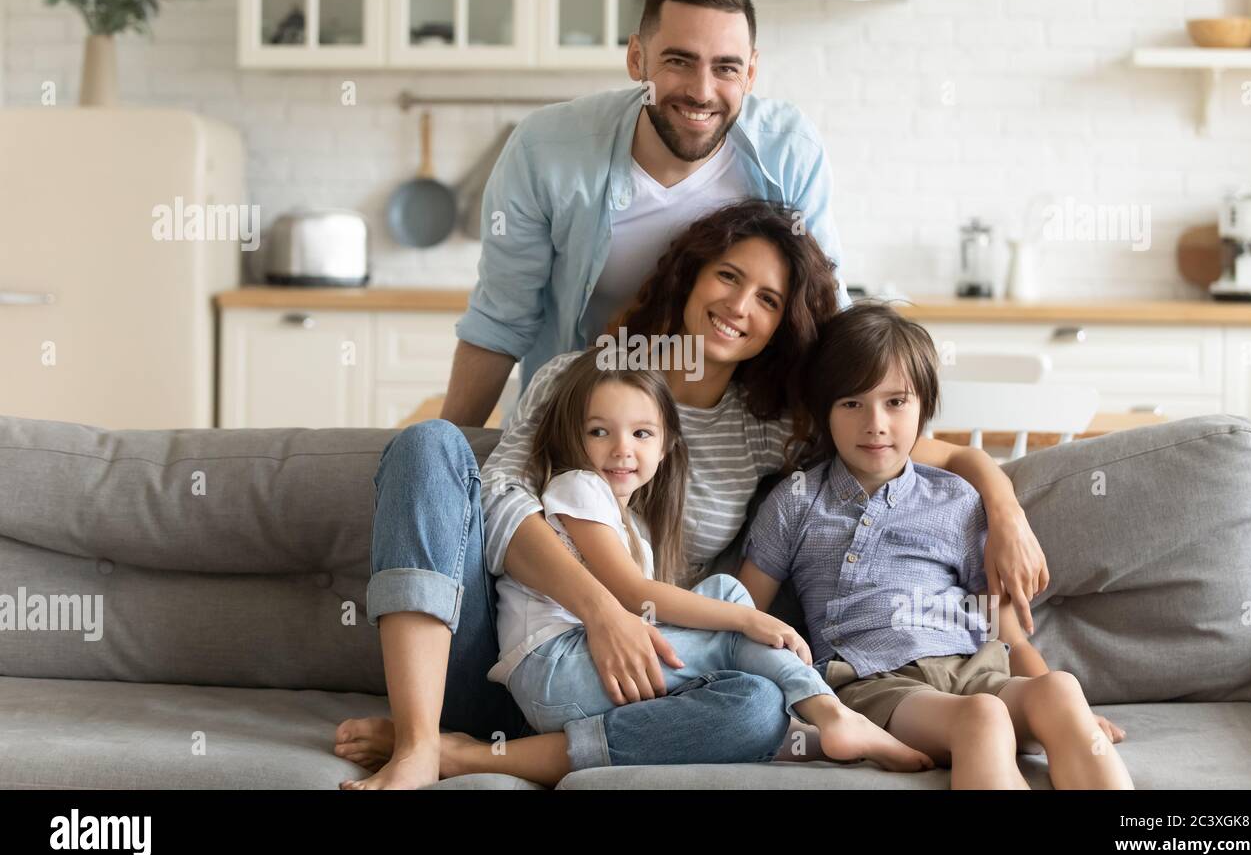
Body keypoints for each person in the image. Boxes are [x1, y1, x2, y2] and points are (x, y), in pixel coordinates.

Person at [337, 200, 1049, 788]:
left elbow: (923, 447)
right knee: (430, 442)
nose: (739, 306)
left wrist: (1003, 505)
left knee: (759, 710)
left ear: (782, 323)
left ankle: (471, 754)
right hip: (509, 654)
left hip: (639, 689)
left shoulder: (771, 429)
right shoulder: (581, 378)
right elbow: (500, 503)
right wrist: (603, 609)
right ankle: (420, 742)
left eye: (767, 298)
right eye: (728, 277)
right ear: (689, 276)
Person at [451, 347, 934, 786]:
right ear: (570, 439)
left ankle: (795, 727)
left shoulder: (635, 527)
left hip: (588, 679)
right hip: (554, 666)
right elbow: (629, 592)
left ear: (665, 447)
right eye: (599, 431)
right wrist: (749, 619)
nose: (622, 448)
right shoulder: (578, 487)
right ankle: (829, 713)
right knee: (728, 607)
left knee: (747, 682)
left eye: (641, 433)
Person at [736, 303, 1132, 789]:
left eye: (896, 402)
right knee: (982, 718)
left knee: (1060, 690)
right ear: (825, 412)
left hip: (977, 672)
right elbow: (744, 614)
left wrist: (1073, 718)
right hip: (876, 684)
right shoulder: (797, 501)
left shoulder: (958, 499)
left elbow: (1007, 631)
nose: (875, 423)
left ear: (923, 408)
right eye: (852, 403)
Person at [441, 0, 850, 428]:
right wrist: (450, 453)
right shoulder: (545, 151)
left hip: (735, 434)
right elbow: (501, 322)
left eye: (726, 68)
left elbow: (825, 315)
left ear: (751, 72)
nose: (701, 90)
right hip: (582, 427)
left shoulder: (790, 150)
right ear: (637, 58)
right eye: (679, 61)